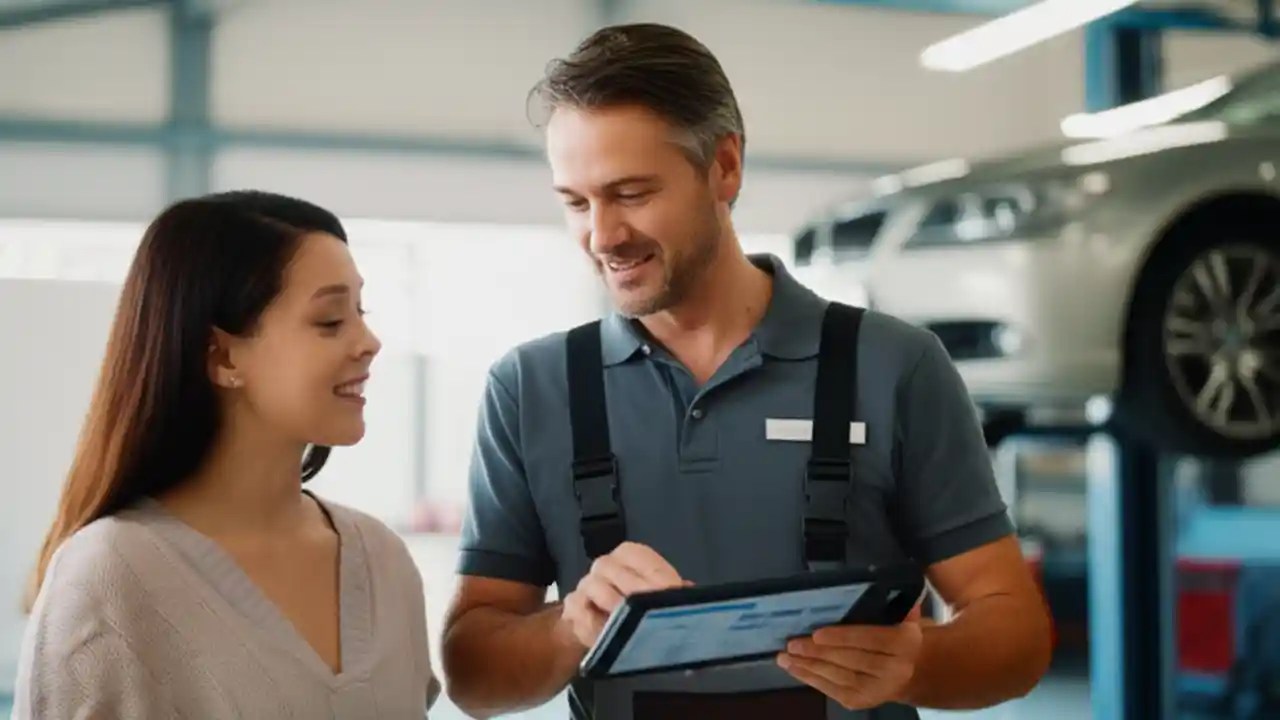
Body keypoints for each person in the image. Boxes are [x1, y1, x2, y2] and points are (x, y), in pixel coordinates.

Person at [440, 22, 1054, 720]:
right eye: (576, 203)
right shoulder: (530, 389)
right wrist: (569, 627)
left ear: (725, 167)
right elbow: (472, 678)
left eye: (632, 193)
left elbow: (1017, 637)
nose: (603, 236)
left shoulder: (895, 367)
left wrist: (916, 663)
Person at [13, 191, 440, 719]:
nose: (369, 341)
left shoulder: (383, 561)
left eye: (361, 311)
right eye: (330, 320)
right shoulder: (109, 576)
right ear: (222, 355)